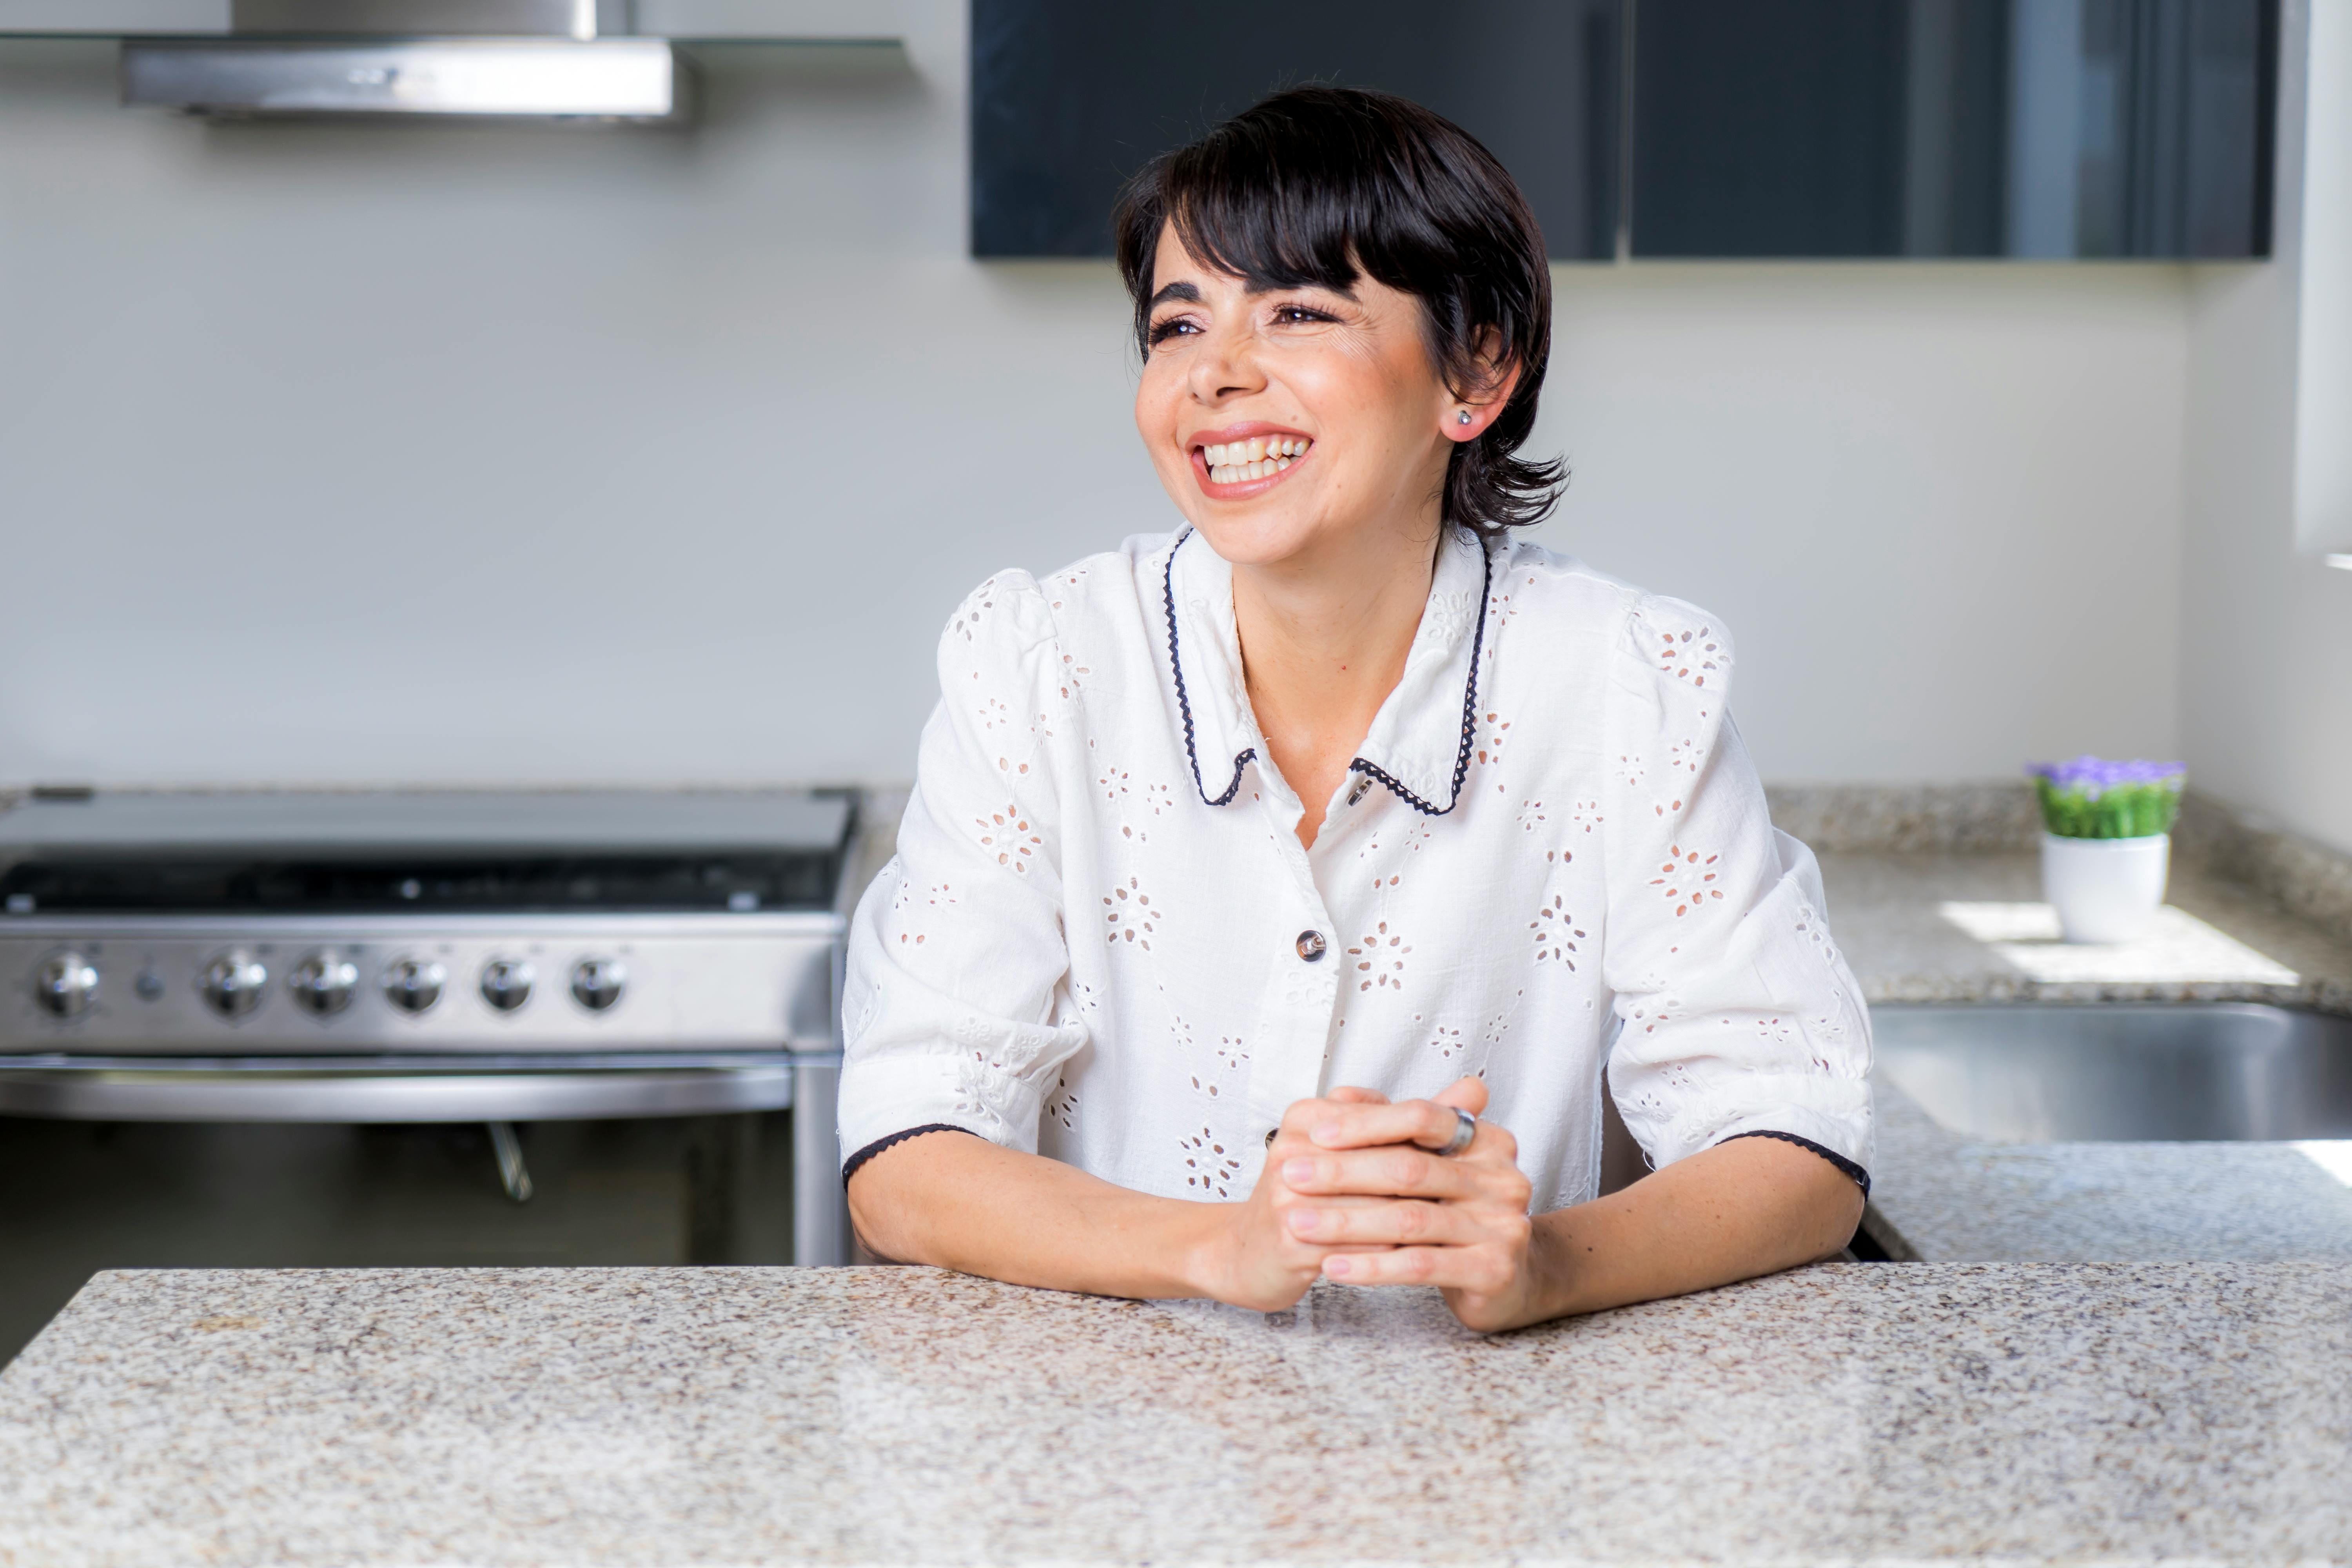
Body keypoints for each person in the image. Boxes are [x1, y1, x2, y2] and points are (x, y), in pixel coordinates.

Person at [837, 85, 1871, 1332]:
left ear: (1476, 371)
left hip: (1499, 1474)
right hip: (1107, 1470)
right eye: (1177, 324)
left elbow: (1795, 1140)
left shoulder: (1625, 686)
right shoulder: (1038, 665)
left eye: (1298, 312)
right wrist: (1227, 1246)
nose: (1215, 374)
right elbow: (907, 1149)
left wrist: (1545, 1263)